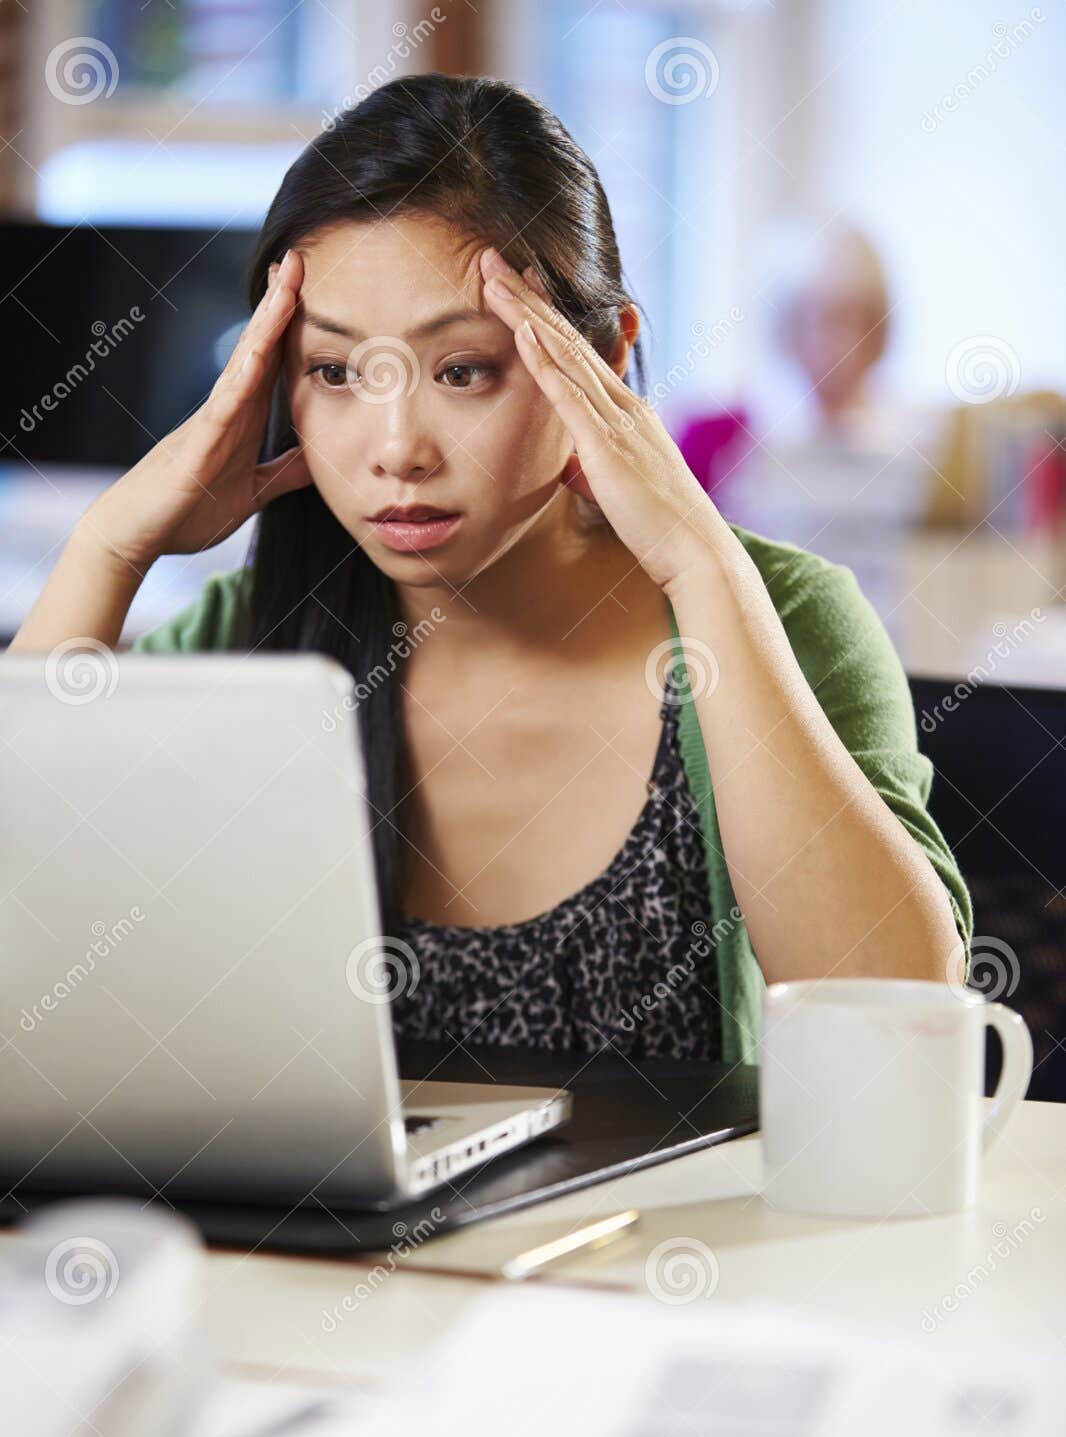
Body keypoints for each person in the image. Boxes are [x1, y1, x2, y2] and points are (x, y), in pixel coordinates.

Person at [9, 74, 972, 1066]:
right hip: (295, 1230)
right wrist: (108, 547)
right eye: (334, 372)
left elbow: (903, 1029)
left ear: (603, 358)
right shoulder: (253, 632)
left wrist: (697, 562)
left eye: (462, 369)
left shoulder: (779, 617)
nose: (397, 450)